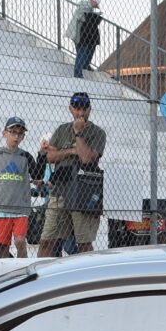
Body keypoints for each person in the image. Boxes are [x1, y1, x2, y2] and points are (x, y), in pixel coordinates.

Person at [37, 90, 105, 257]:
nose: (80, 113)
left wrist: (78, 134)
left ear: (90, 109)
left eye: (84, 109)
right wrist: (72, 151)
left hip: (83, 193)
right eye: (77, 108)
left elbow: (87, 159)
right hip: (60, 190)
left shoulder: (98, 133)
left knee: (84, 244)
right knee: (47, 241)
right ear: (70, 109)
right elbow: (51, 157)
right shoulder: (61, 130)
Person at [0, 116, 37, 258]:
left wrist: (41, 154)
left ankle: (23, 268)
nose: (16, 137)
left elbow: (37, 174)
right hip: (1, 207)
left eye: (20, 134)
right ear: (4, 133)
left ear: (23, 136)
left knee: (20, 241)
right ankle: (6, 272)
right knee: (3, 246)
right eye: (12, 132)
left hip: (20, 208)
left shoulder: (25, 156)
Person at [70, 0, 100, 78]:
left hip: (82, 33)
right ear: (93, 1)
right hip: (79, 32)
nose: (95, 6)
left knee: (84, 51)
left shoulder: (89, 7)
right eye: (95, 4)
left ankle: (84, 65)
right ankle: (78, 73)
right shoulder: (84, 5)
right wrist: (91, 16)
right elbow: (82, 16)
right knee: (82, 52)